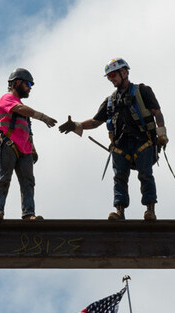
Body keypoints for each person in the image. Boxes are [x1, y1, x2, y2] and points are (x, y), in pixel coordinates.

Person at [60, 58, 166, 220]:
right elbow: (96, 122)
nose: (111, 79)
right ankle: (119, 212)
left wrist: (162, 134)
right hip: (120, 145)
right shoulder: (110, 101)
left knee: (145, 175)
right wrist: (75, 125)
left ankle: (150, 210)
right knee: (119, 178)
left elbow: (156, 112)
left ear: (124, 72)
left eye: (113, 75)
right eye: (109, 77)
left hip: (142, 141)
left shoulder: (142, 91)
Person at [0, 68, 59, 220]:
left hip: (25, 150)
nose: (29, 88)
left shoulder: (24, 110)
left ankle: (28, 214)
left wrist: (33, 148)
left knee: (28, 183)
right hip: (8, 145)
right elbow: (20, 109)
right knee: (3, 179)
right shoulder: (6, 99)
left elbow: (28, 130)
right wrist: (41, 116)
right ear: (17, 83)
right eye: (28, 84)